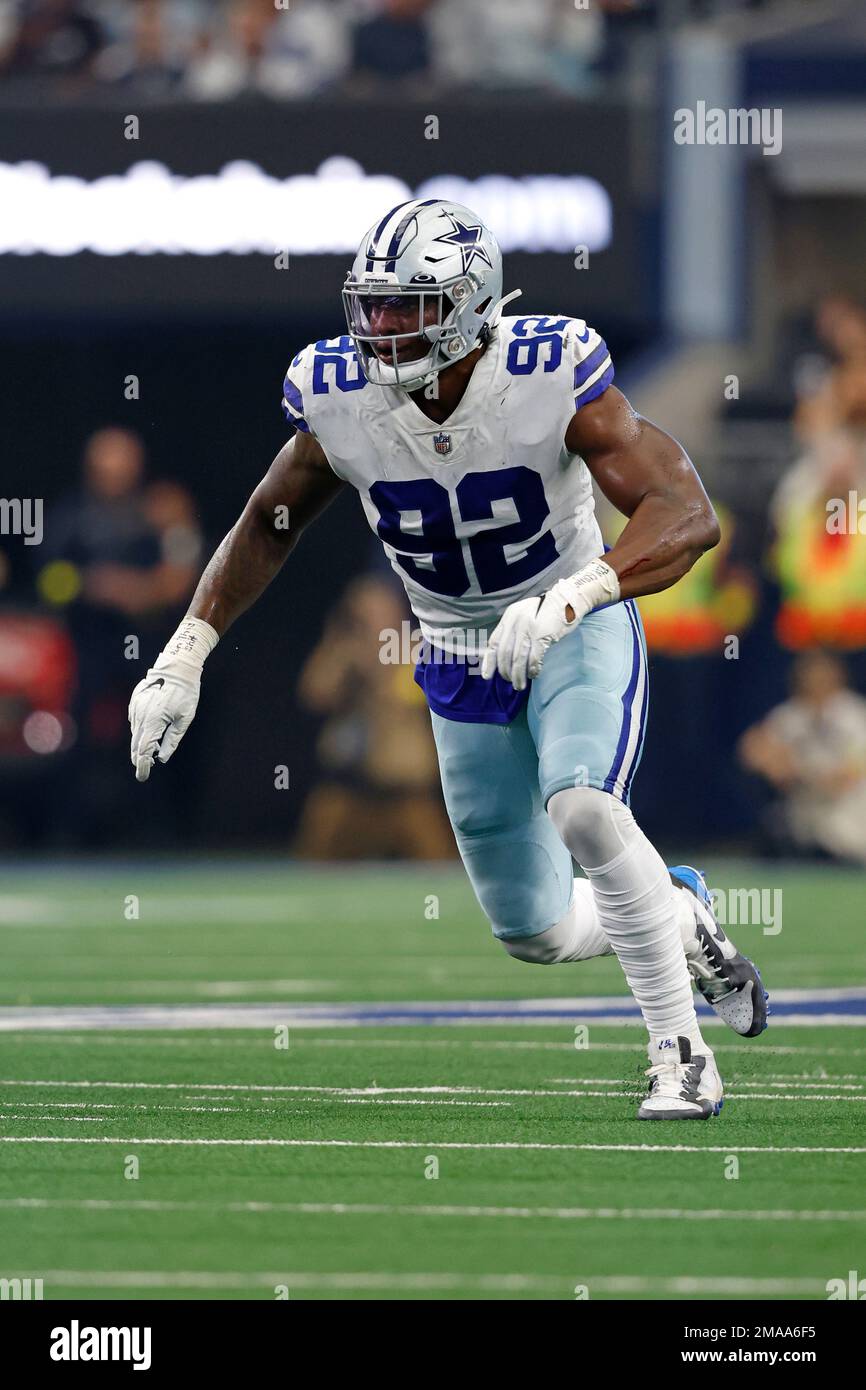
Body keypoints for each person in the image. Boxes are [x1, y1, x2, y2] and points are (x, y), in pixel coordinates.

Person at [129, 198, 768, 1120]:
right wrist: (187, 650)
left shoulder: (545, 372)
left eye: (407, 307)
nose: (381, 329)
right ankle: (679, 914)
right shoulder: (337, 393)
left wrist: (575, 593)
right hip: (455, 645)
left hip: (570, 618)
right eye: (373, 306)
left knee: (585, 807)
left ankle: (681, 1053)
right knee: (537, 932)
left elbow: (687, 513)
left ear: (471, 304)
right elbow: (269, 523)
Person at [739, 650, 866, 865]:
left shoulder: (854, 714)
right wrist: (776, 763)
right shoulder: (791, 714)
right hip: (803, 812)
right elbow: (752, 752)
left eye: (823, 674)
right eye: (811, 674)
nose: (817, 680)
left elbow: (845, 778)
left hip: (847, 813)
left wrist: (795, 767)